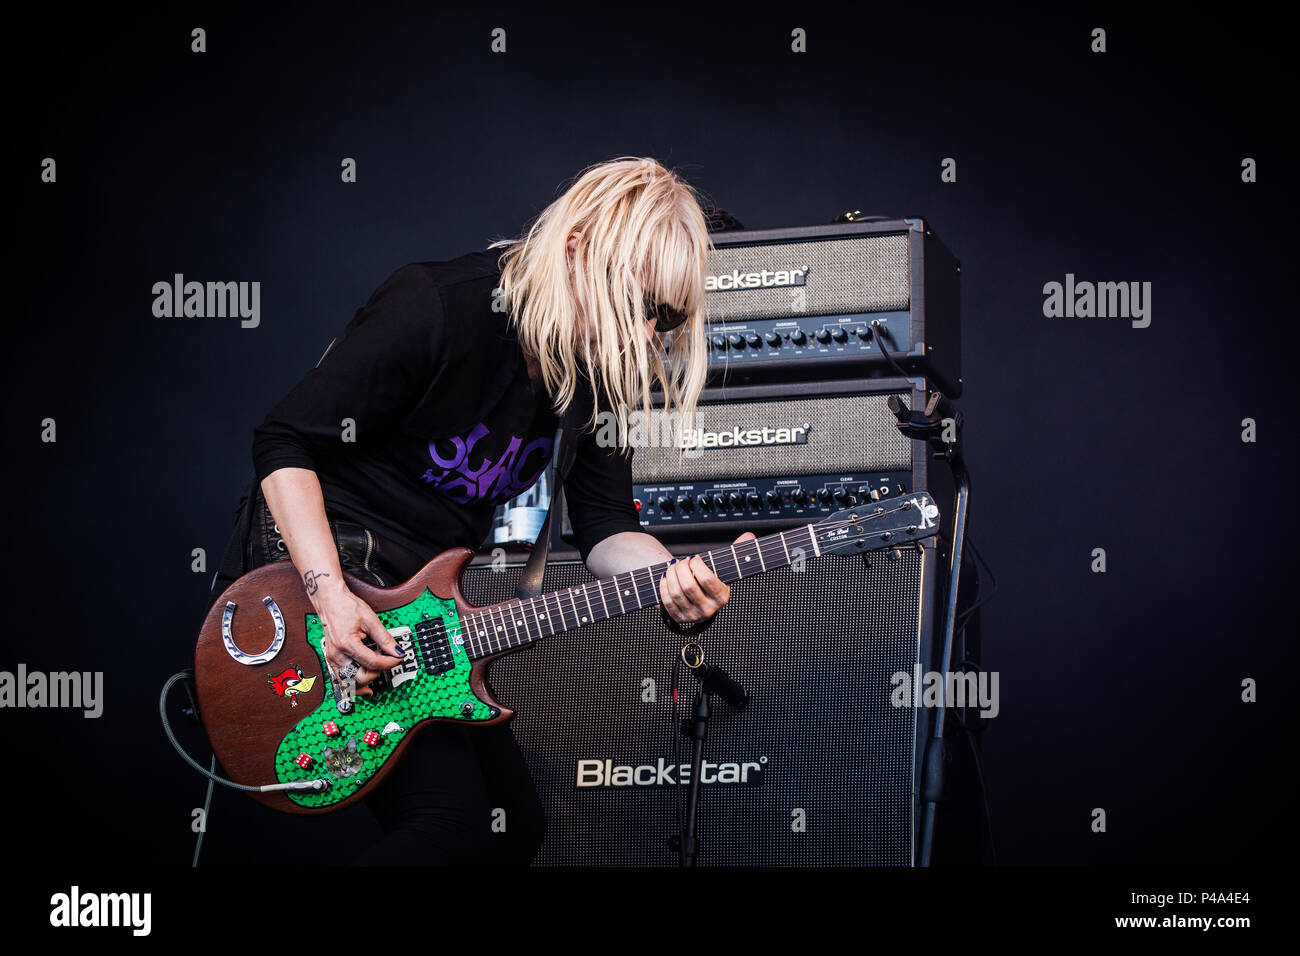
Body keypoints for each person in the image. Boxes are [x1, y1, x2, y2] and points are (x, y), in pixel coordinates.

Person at [206, 156, 755, 865]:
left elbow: (606, 527)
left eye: (668, 318)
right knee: (451, 823)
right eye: (643, 303)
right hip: (321, 590)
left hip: (428, 621)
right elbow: (283, 440)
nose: (650, 333)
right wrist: (332, 598)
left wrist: (672, 579)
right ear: (577, 250)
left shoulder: (597, 374)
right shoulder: (441, 303)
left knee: (512, 826)